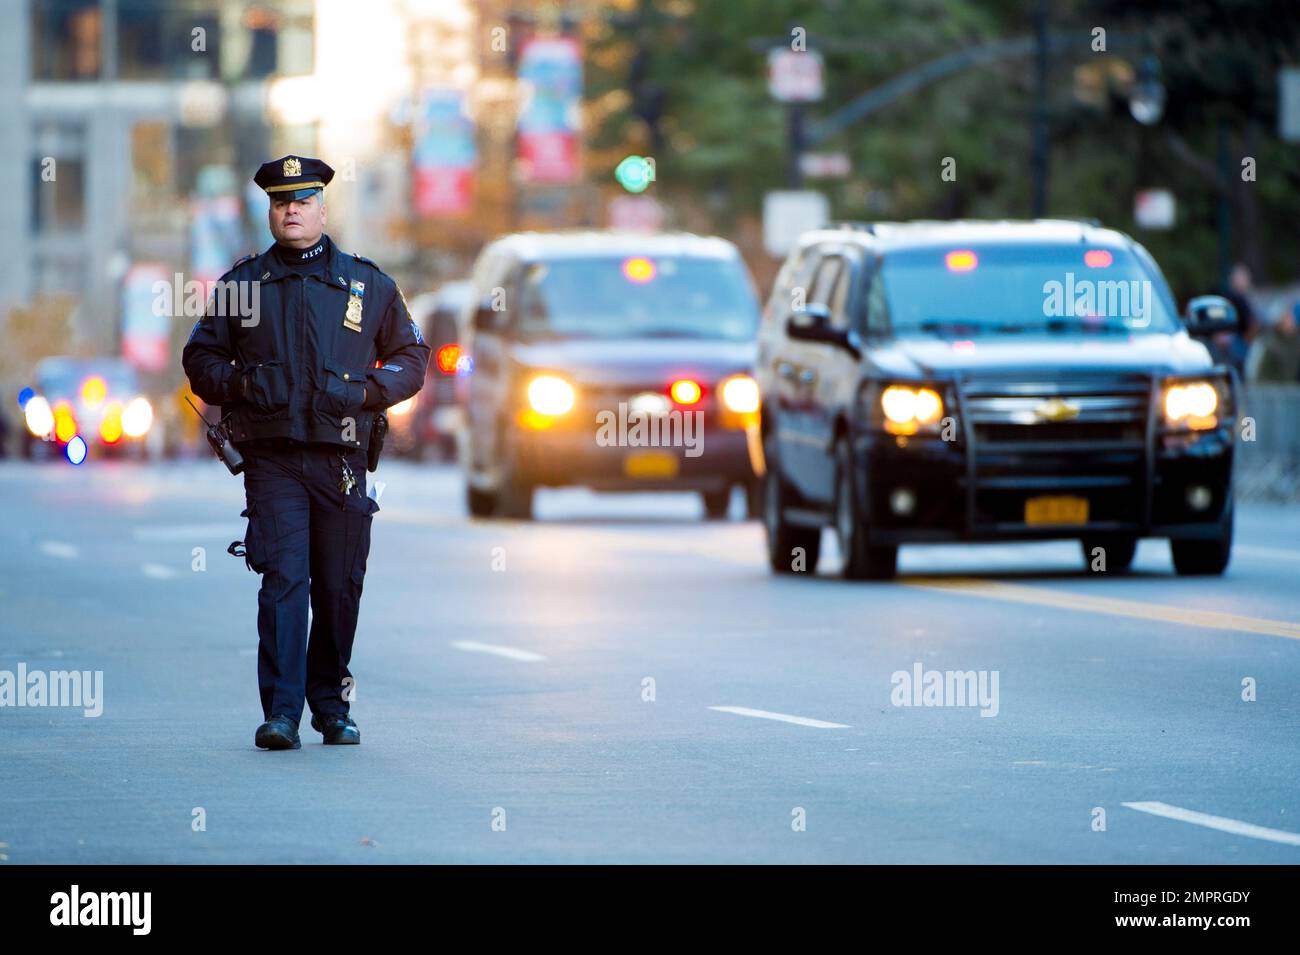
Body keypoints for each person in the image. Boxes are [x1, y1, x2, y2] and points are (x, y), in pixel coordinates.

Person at [182, 156, 430, 750]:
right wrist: (241, 385)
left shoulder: (367, 284)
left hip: (342, 462)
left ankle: (331, 706)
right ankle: (284, 714)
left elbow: (412, 359)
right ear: (271, 211)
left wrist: (366, 391)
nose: (291, 210)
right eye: (280, 201)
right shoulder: (242, 286)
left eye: (302, 200)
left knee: (339, 587)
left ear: (322, 207)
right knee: (285, 580)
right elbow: (200, 361)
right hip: (272, 463)